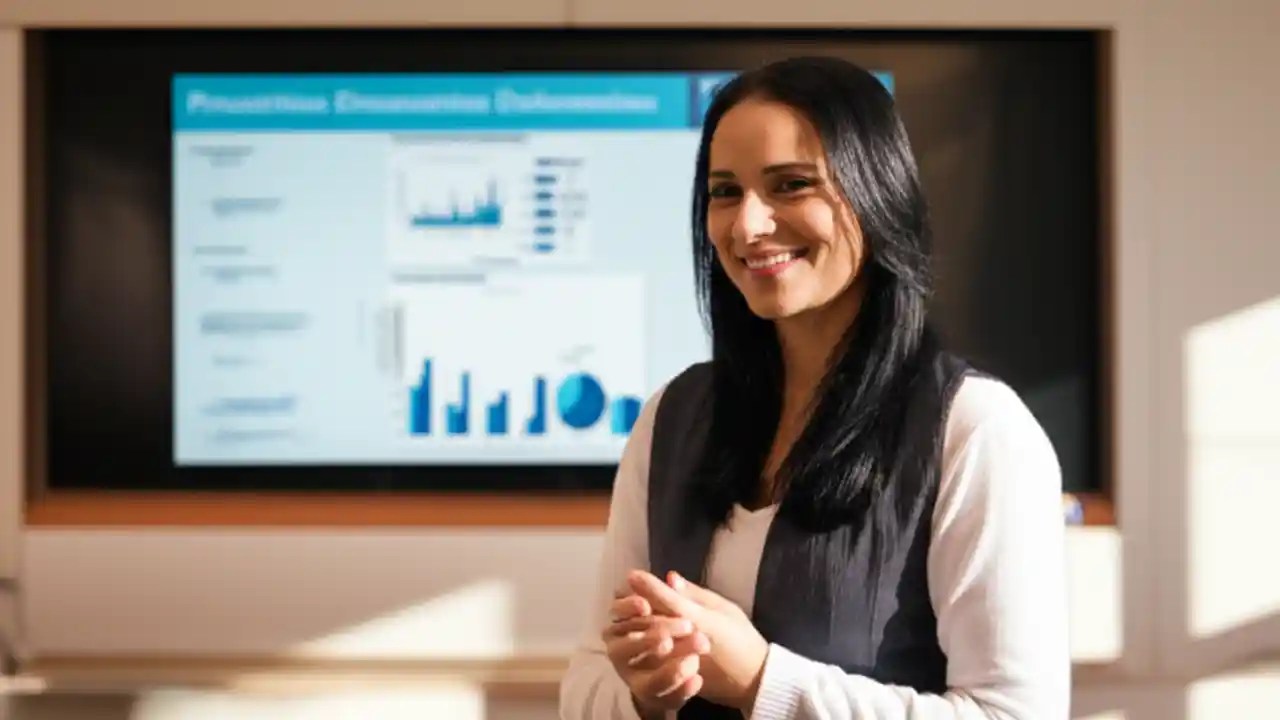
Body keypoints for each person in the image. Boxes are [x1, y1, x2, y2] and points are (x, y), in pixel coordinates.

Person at [559, 56, 1070, 720]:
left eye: (791, 185)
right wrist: (643, 695)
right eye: (723, 192)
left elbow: (1015, 715)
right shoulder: (672, 417)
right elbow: (584, 687)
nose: (746, 227)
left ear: (875, 193)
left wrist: (761, 681)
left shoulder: (976, 429)